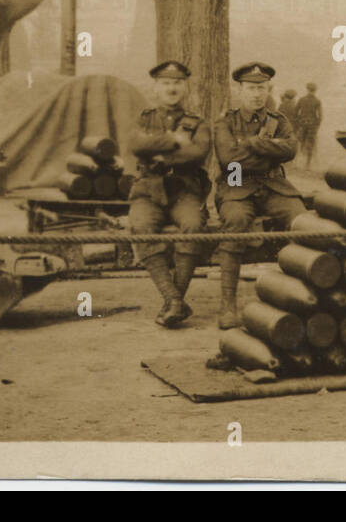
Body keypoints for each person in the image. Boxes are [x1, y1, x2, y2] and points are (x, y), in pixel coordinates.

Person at [213, 62, 306, 328]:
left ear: (268, 90)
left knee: (301, 221)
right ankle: (227, 306)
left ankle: (297, 298)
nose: (257, 94)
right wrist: (269, 151)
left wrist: (252, 144)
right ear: (239, 90)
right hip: (236, 185)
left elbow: (291, 150)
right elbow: (229, 159)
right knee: (235, 222)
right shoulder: (226, 121)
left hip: (274, 186)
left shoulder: (279, 120)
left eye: (261, 88)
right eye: (251, 88)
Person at [128, 60, 212, 328]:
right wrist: (174, 141)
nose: (171, 88)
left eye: (177, 83)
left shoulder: (197, 123)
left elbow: (197, 153)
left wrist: (158, 153)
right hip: (148, 191)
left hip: (184, 191)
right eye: (166, 83)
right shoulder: (144, 118)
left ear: (185, 88)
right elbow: (136, 145)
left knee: (193, 225)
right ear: (156, 87)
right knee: (140, 226)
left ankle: (173, 302)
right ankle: (174, 300)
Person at [294, 81, 323, 168]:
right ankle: (307, 164)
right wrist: (317, 125)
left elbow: (295, 112)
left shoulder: (301, 99)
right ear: (315, 90)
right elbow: (320, 116)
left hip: (302, 124)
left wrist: (298, 121)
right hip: (312, 125)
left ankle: (296, 163)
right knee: (310, 144)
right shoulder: (317, 101)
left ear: (307, 89)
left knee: (300, 143)